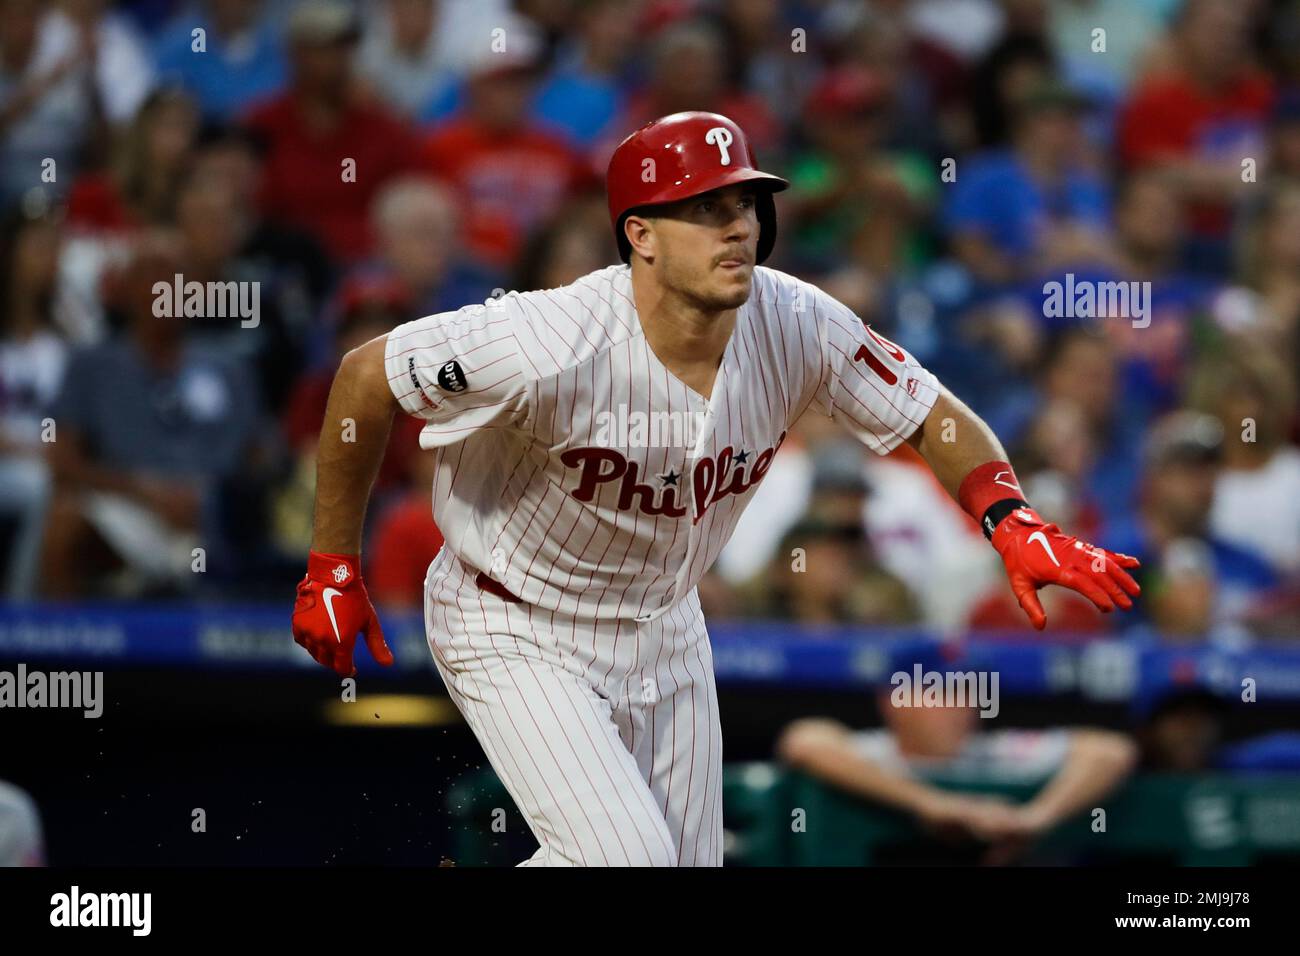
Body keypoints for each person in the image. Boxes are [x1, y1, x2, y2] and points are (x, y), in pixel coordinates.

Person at [290, 112, 1140, 867]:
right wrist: (333, 562)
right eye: (704, 209)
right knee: (628, 860)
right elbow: (368, 377)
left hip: (664, 623)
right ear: (641, 235)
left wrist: (1010, 516)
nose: (736, 227)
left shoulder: (796, 320)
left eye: (743, 206)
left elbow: (932, 414)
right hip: (514, 616)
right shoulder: (549, 338)